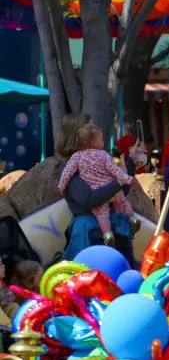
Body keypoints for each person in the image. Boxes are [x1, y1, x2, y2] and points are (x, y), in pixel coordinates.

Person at [58, 114, 138, 266]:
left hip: (117, 229)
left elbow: (121, 192)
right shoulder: (69, 165)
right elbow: (88, 199)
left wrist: (129, 166)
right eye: (89, 127)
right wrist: (118, 182)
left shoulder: (101, 158)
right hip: (90, 233)